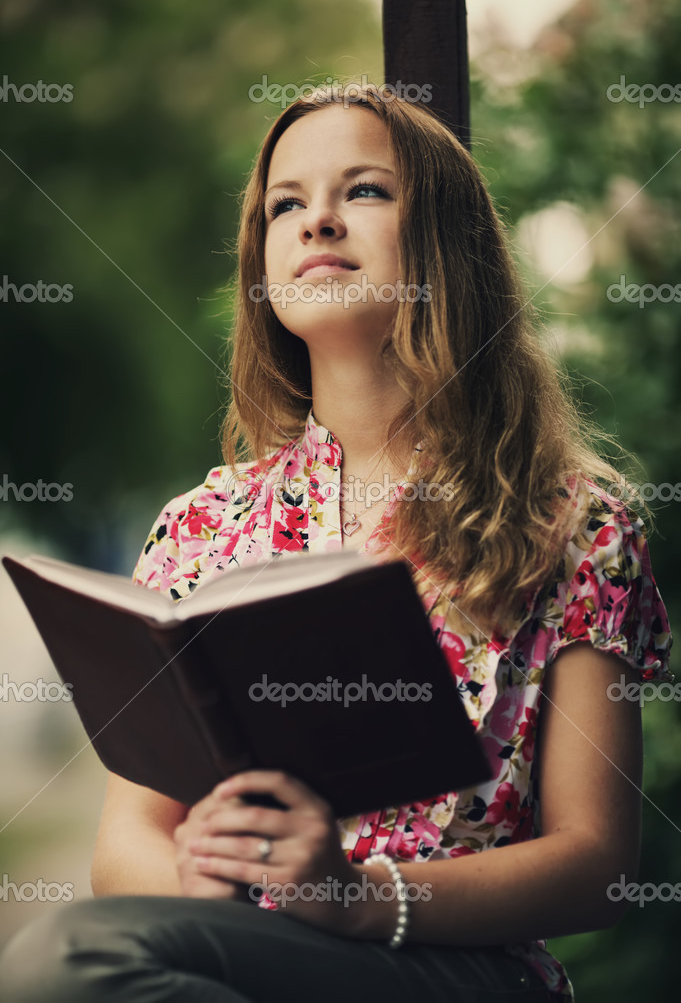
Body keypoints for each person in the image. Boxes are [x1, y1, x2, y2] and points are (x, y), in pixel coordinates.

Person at [0, 83, 673, 1003]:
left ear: (445, 247)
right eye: (285, 203)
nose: (315, 219)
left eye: (362, 191)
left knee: (63, 962)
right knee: (65, 956)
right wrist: (197, 882)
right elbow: (127, 842)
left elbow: (597, 863)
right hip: (252, 949)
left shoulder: (574, 519)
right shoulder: (200, 527)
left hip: (461, 969)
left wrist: (359, 899)